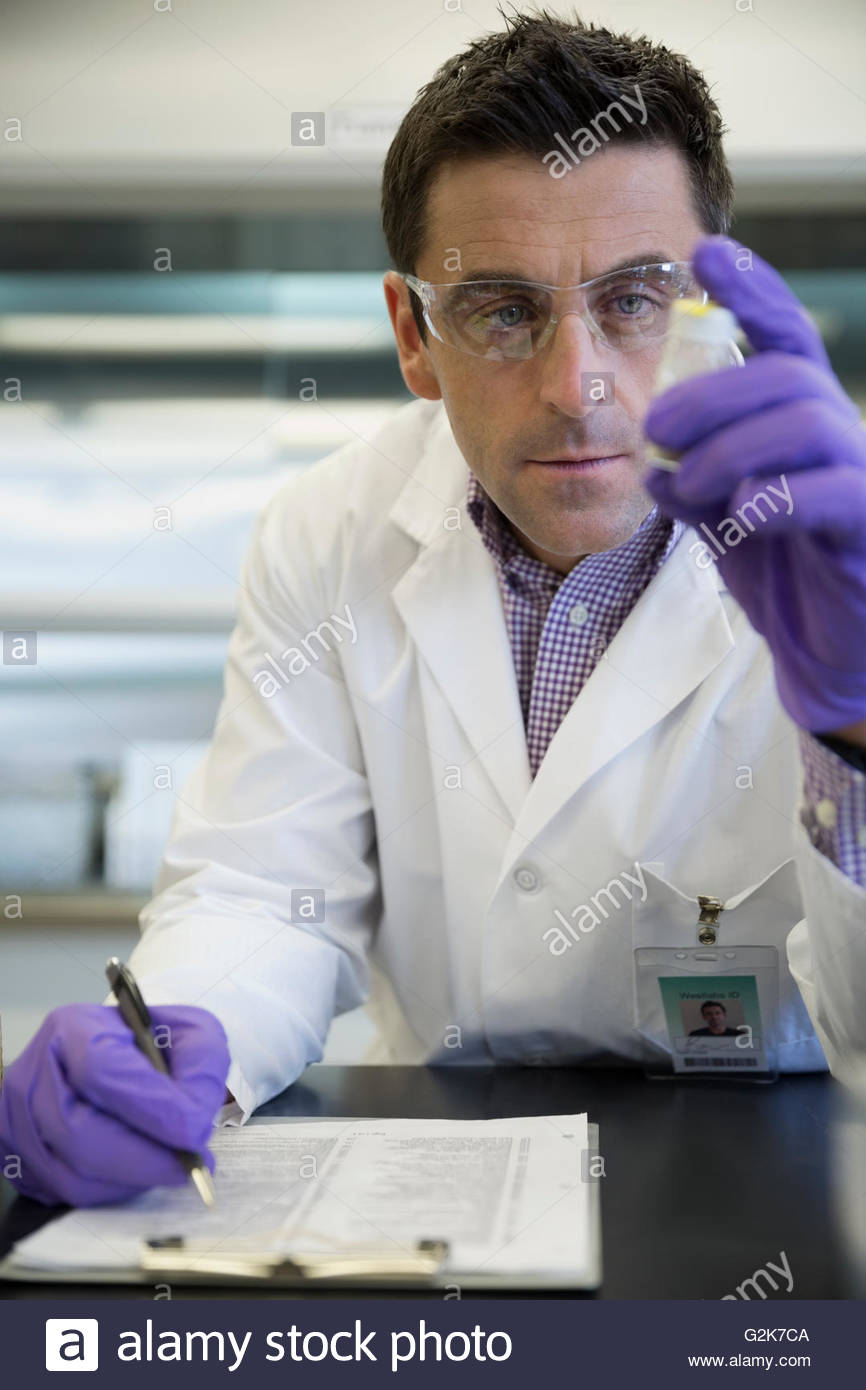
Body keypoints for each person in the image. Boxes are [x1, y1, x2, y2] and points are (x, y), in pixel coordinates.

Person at [3, 10, 866, 1207]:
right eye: (501, 310)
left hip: (788, 1186)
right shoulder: (330, 529)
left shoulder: (842, 538)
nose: (577, 389)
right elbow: (265, 887)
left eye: (634, 298)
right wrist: (178, 1041)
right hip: (436, 1186)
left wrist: (857, 730)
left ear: (711, 304)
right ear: (413, 334)